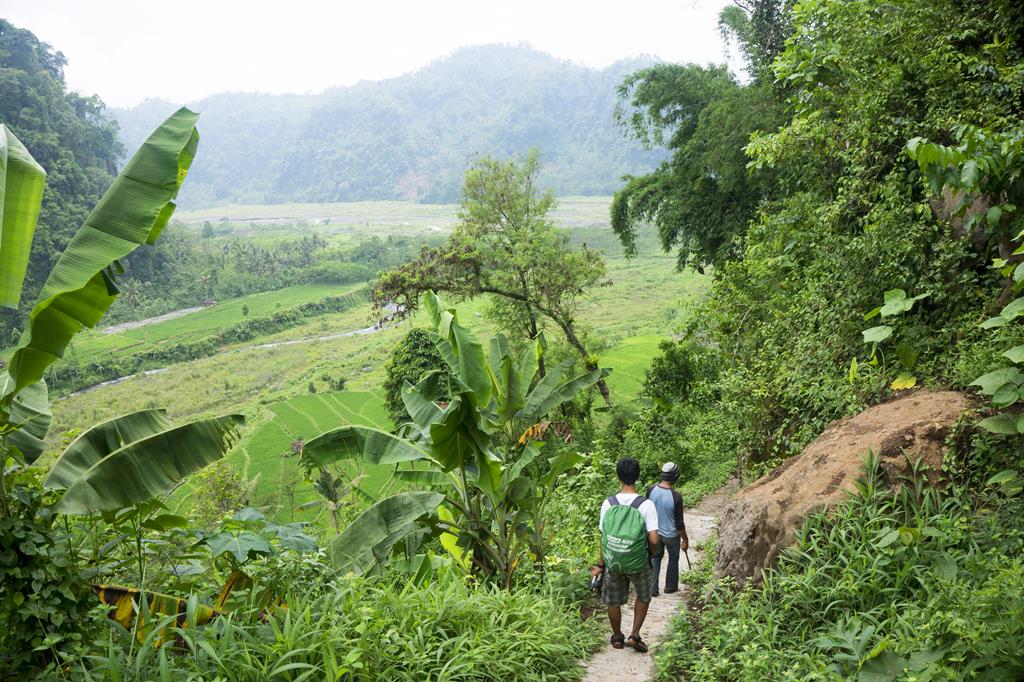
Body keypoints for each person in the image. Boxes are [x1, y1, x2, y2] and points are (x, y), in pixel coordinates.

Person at [591, 457, 660, 653]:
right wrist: (650, 554)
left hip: (614, 561)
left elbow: (604, 538)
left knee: (612, 600)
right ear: (637, 477)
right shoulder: (646, 505)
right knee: (643, 596)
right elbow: (654, 540)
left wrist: (602, 564)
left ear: (618, 476)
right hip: (639, 562)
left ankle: (617, 637)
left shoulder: (608, 503)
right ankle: (634, 635)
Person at [647, 461, 689, 596]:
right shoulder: (676, 497)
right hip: (671, 536)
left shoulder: (651, 490)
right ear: (676, 476)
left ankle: (652, 589)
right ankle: (670, 587)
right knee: (673, 559)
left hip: (655, 534)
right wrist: (685, 540)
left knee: (655, 558)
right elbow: (679, 524)